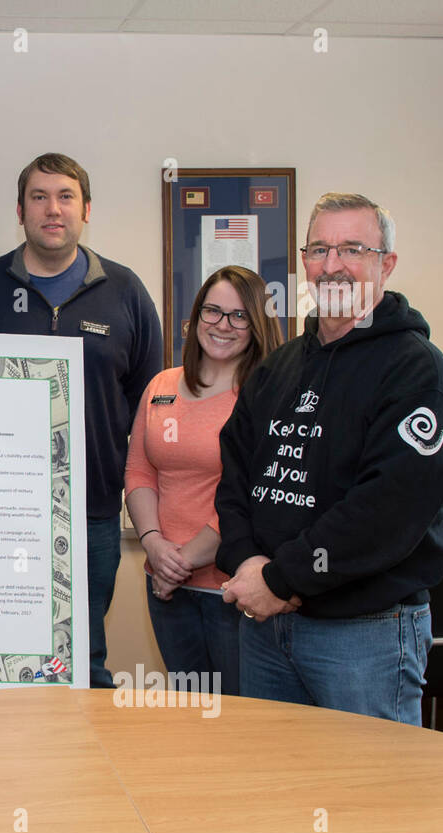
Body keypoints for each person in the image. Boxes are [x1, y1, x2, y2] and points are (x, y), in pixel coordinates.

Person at [216, 193, 443, 726]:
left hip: (364, 636)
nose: (331, 266)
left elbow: (386, 510)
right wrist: (246, 563)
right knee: (275, 791)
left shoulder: (418, 373)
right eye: (319, 249)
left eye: (352, 248)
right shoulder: (278, 367)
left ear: (386, 264)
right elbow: (235, 471)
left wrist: (282, 580)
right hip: (264, 628)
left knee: (369, 799)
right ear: (304, 261)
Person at [0, 152, 162, 688]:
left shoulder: (126, 293)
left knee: (81, 660)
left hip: (88, 514)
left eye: (66, 196)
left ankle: (83, 771)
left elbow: (147, 404)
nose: (53, 209)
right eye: (39, 197)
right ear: (19, 210)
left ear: (86, 209)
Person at [124, 266, 282, 694]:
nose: (222, 325)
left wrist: (185, 560)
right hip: (165, 583)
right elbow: (139, 470)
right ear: (195, 318)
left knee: (238, 719)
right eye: (212, 311)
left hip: (231, 587)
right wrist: (155, 545)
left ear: (257, 325)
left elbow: (255, 494)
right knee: (192, 714)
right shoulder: (162, 385)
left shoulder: (267, 395)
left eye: (238, 316)